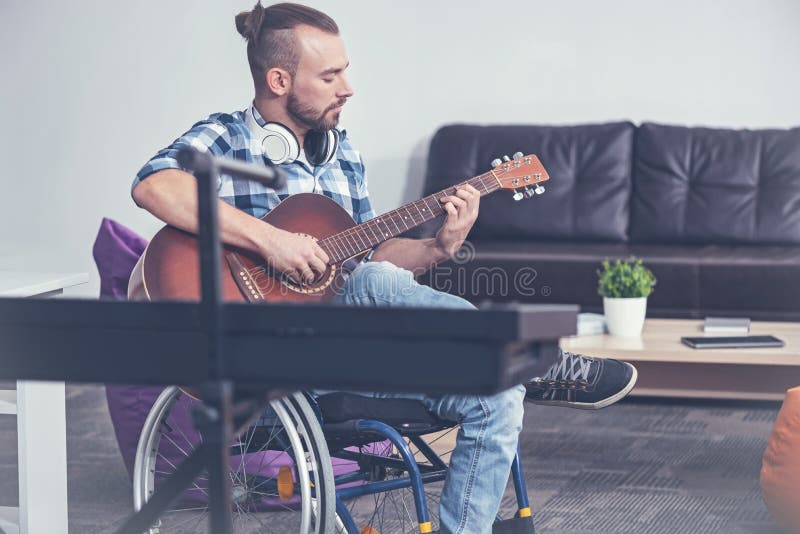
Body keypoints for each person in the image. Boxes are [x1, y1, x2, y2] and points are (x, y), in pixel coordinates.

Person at [131, 3, 636, 532]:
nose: (348, 87)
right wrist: (271, 241)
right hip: (264, 359)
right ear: (279, 79)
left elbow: (372, 262)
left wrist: (439, 247)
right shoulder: (227, 140)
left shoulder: (342, 154)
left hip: (358, 355)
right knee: (375, 284)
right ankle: (528, 351)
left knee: (496, 393)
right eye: (330, 75)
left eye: (346, 69)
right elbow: (153, 186)